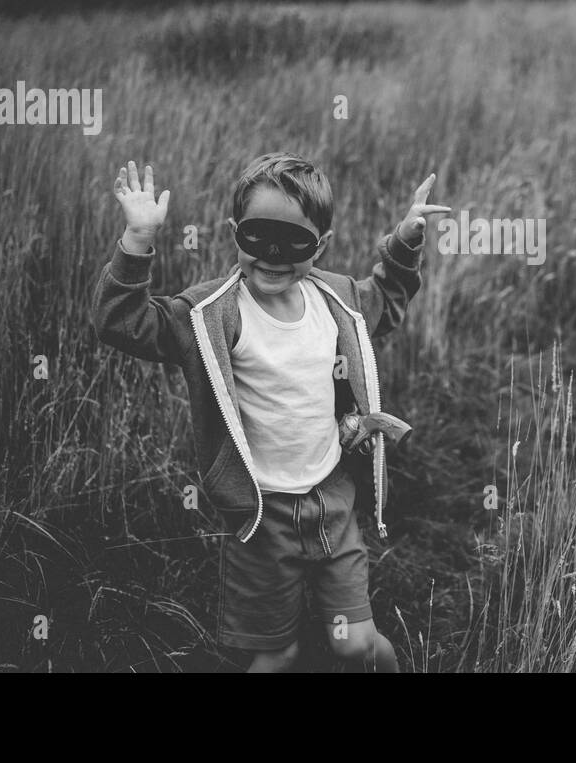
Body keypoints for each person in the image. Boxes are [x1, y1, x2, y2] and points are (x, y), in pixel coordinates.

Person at [91, 153, 448, 672]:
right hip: (260, 518)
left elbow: (389, 298)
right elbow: (121, 323)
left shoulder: (337, 302)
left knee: (356, 645)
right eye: (258, 237)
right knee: (276, 655)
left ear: (321, 245)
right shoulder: (211, 314)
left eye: (295, 242)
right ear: (235, 232)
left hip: (334, 505)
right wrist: (138, 241)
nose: (273, 256)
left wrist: (406, 241)